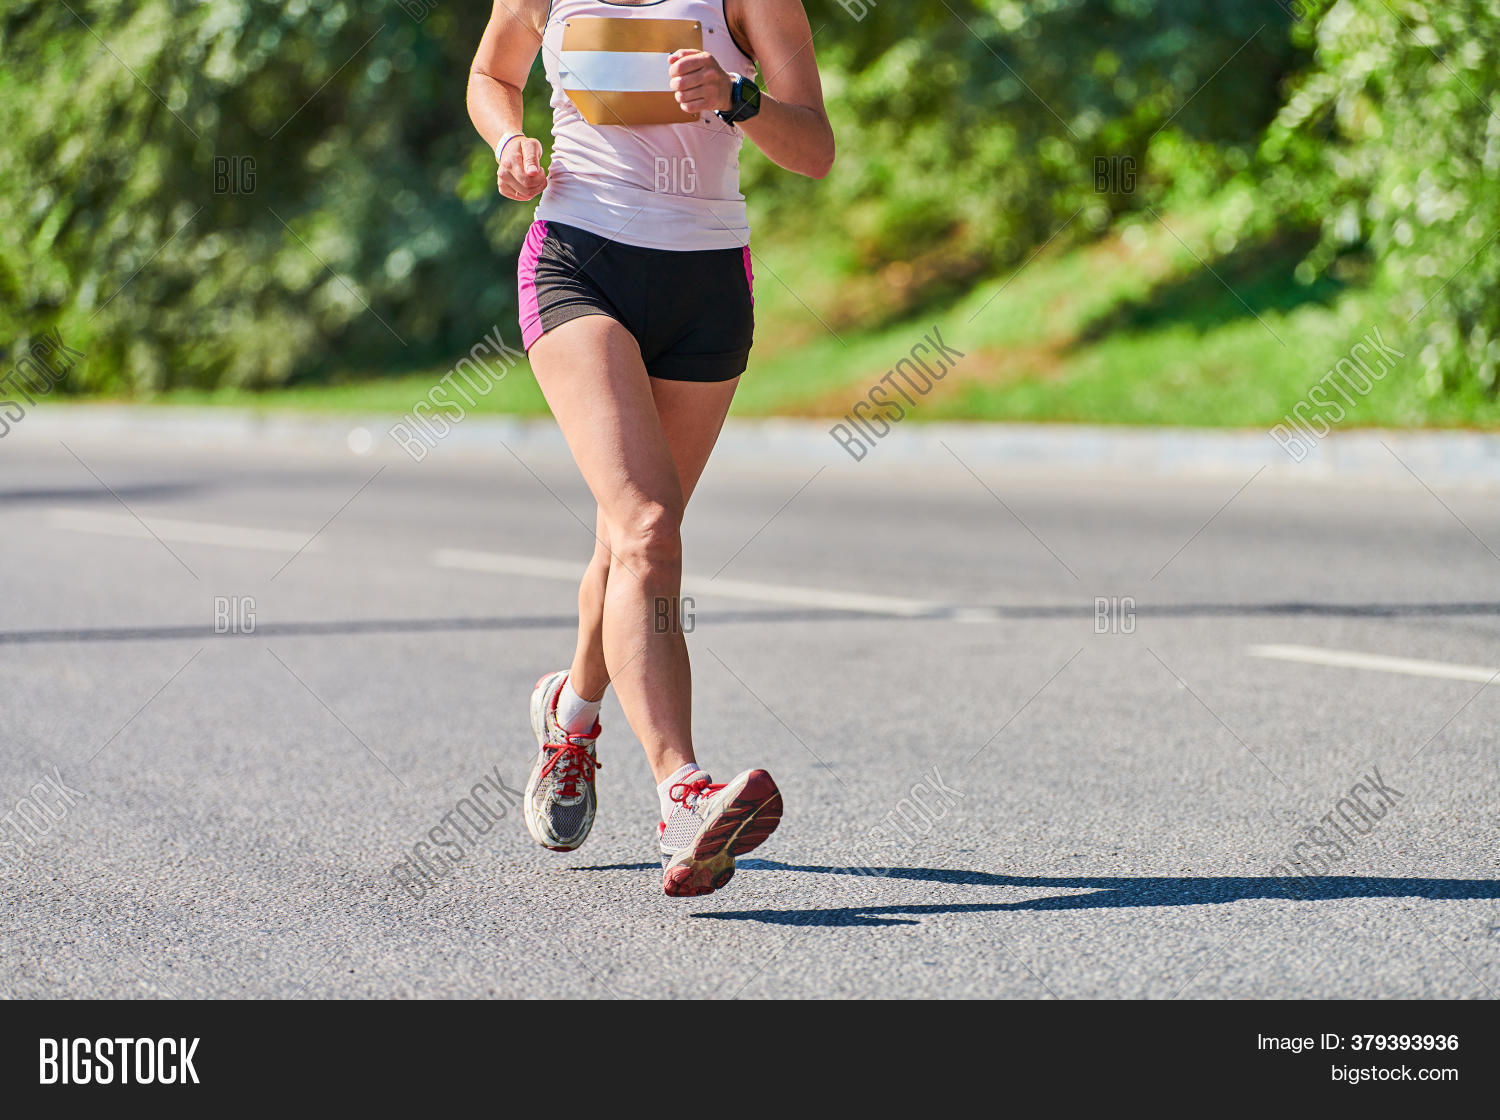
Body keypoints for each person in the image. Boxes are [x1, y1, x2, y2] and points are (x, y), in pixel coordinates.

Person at [467, 0, 834, 896]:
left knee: (627, 544)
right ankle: (683, 793)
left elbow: (815, 149)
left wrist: (737, 97)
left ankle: (571, 711)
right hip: (578, 258)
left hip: (707, 279)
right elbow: (492, 75)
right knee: (648, 527)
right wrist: (507, 143)